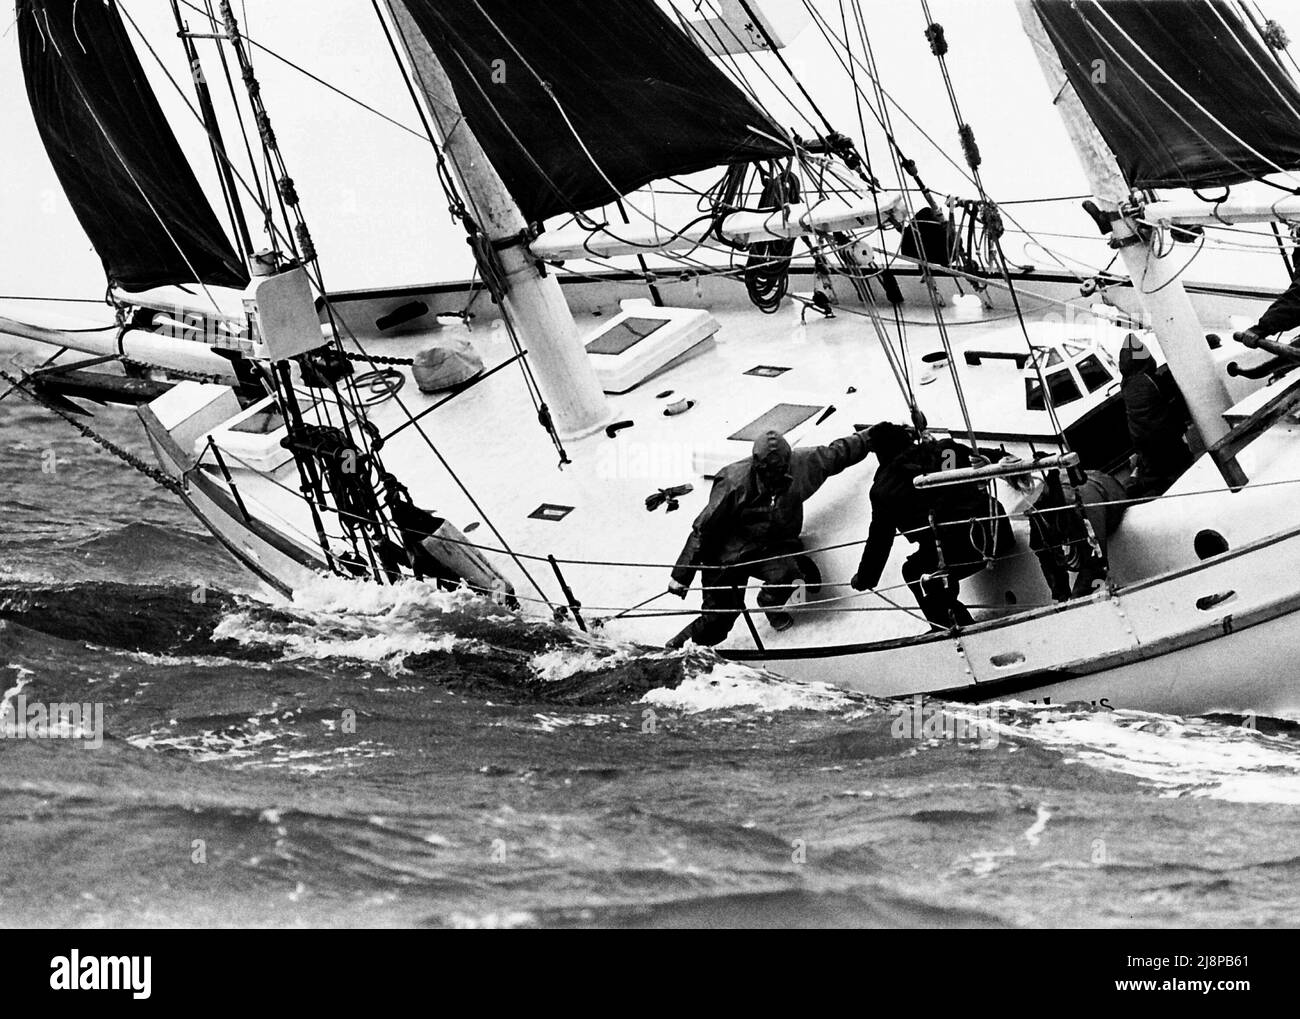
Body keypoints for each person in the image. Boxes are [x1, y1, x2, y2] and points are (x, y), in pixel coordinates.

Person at [665, 427, 872, 648]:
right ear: (757, 466)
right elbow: (703, 529)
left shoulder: (804, 464)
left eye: (780, 470)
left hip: (769, 547)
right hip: (725, 556)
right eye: (767, 472)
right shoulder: (733, 482)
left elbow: (839, 452)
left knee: (793, 575)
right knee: (719, 619)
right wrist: (682, 575)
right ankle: (674, 652)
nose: (774, 478)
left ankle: (769, 603)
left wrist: (877, 436)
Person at [850, 422, 1010, 629]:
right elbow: (993, 458)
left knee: (915, 572)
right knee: (935, 559)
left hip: (961, 551)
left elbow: (880, 539)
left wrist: (865, 578)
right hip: (997, 533)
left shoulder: (884, 489)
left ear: (877, 450)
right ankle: (953, 621)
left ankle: (948, 628)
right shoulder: (945, 450)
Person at [1017, 465, 1125, 602]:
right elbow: (1046, 558)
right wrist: (1060, 597)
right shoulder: (1037, 518)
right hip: (1066, 499)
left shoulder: (1079, 509)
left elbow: (1098, 565)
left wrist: (1076, 598)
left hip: (1103, 489)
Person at [1119, 333, 1191, 498]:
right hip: (1164, 437)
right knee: (1180, 467)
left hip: (1142, 440)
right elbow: (1171, 395)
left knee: (1156, 474)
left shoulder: (1125, 385)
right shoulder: (1151, 380)